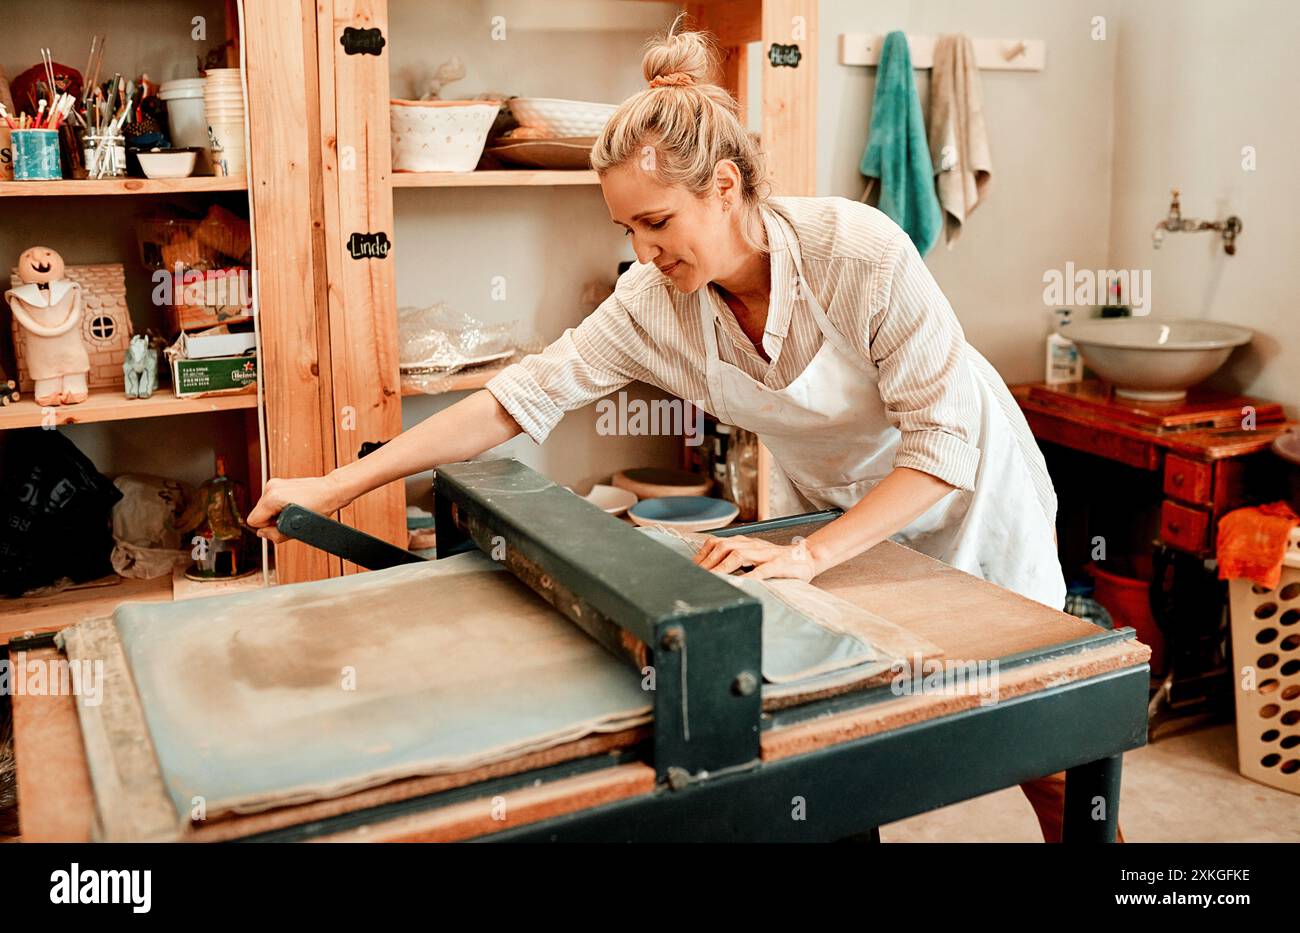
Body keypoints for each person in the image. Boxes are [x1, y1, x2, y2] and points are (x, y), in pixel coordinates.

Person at [249, 21, 1111, 842]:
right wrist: (334, 485)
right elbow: (518, 398)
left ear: (725, 188)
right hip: (839, 513)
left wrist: (810, 555)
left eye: (657, 222)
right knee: (848, 731)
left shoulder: (860, 254)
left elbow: (941, 451)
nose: (644, 249)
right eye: (626, 228)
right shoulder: (653, 304)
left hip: (966, 492)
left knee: (1037, 733)